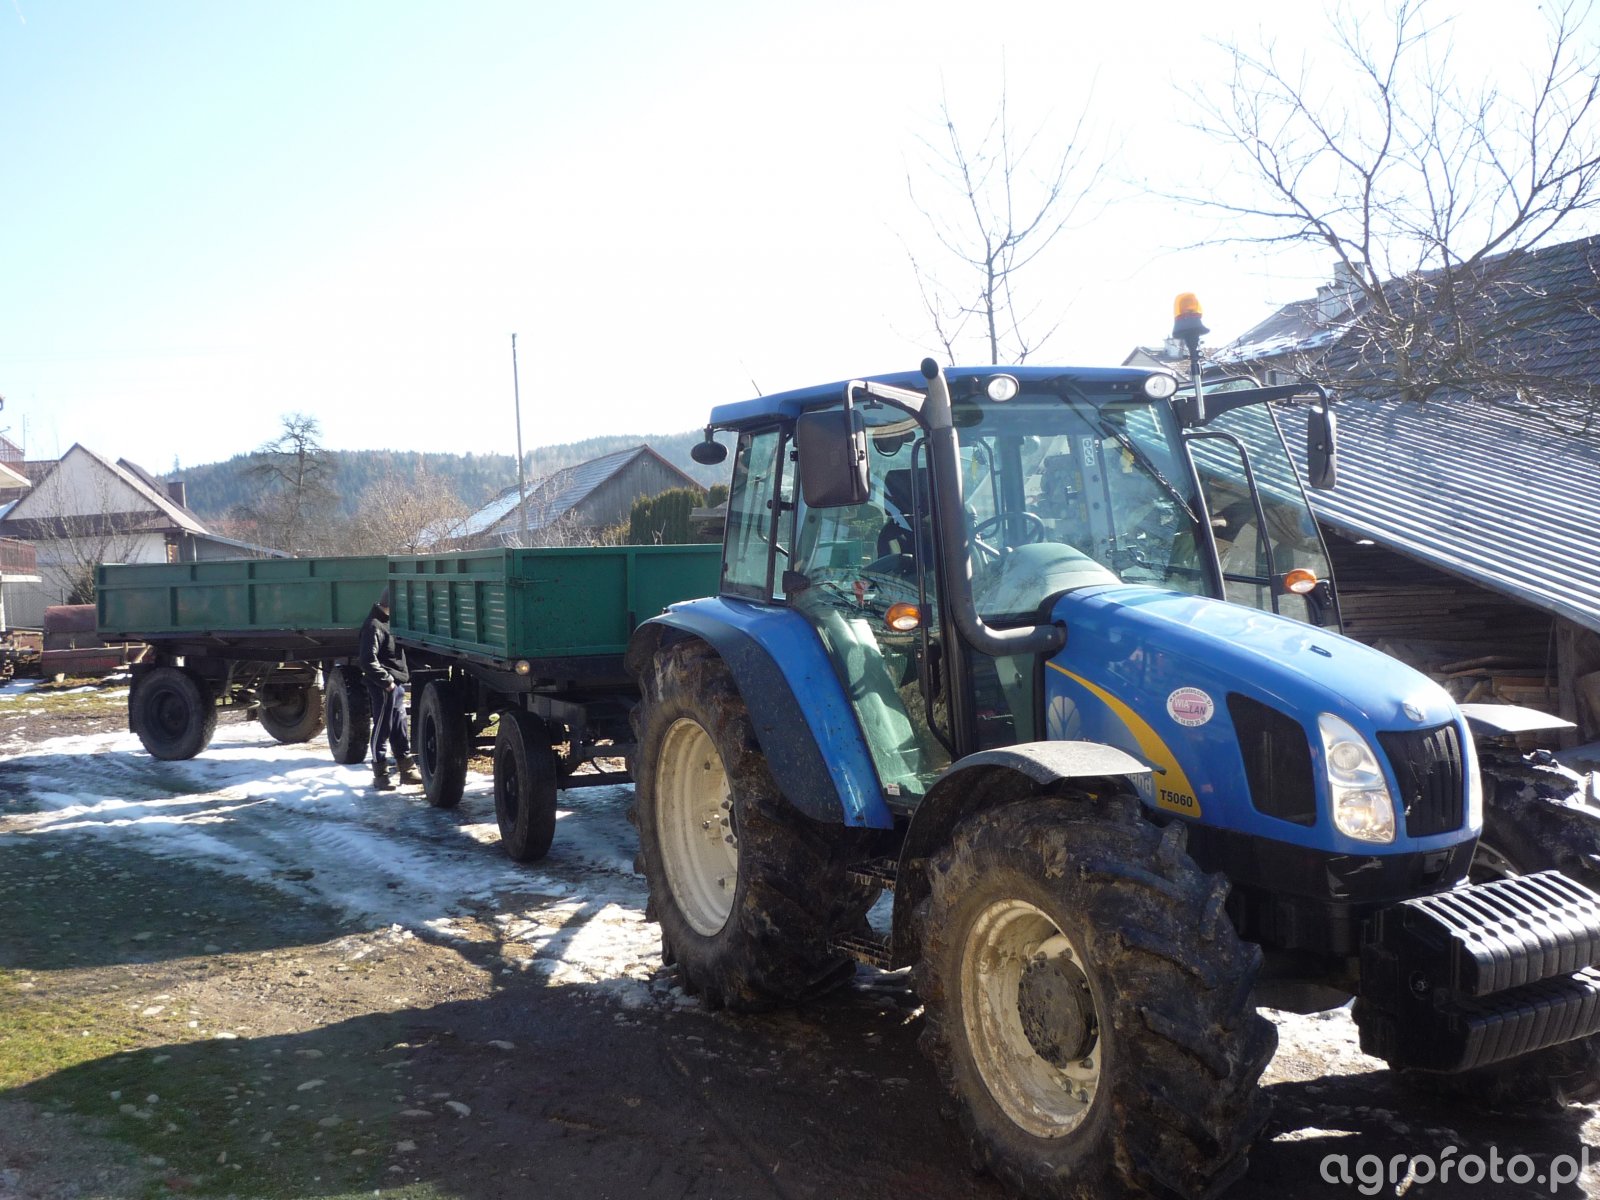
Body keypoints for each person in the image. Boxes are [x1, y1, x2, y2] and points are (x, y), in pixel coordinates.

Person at [357, 587, 419, 791]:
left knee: (399, 727)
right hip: (384, 686)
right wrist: (387, 682)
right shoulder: (374, 625)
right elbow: (367, 659)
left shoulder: (388, 623)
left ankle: (407, 770)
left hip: (395, 685)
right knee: (383, 728)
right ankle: (380, 773)